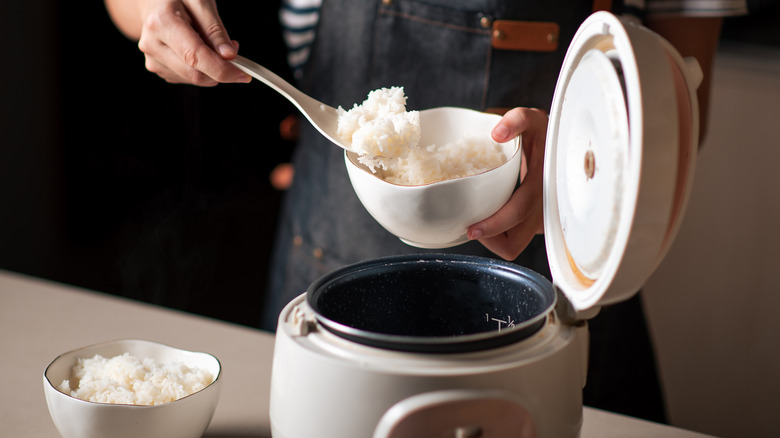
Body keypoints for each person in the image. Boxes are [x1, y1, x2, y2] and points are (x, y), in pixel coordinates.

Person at [105, 0, 746, 423]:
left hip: (554, 267)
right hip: (327, 245)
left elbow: (682, 98)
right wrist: (158, 14)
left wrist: (588, 153)